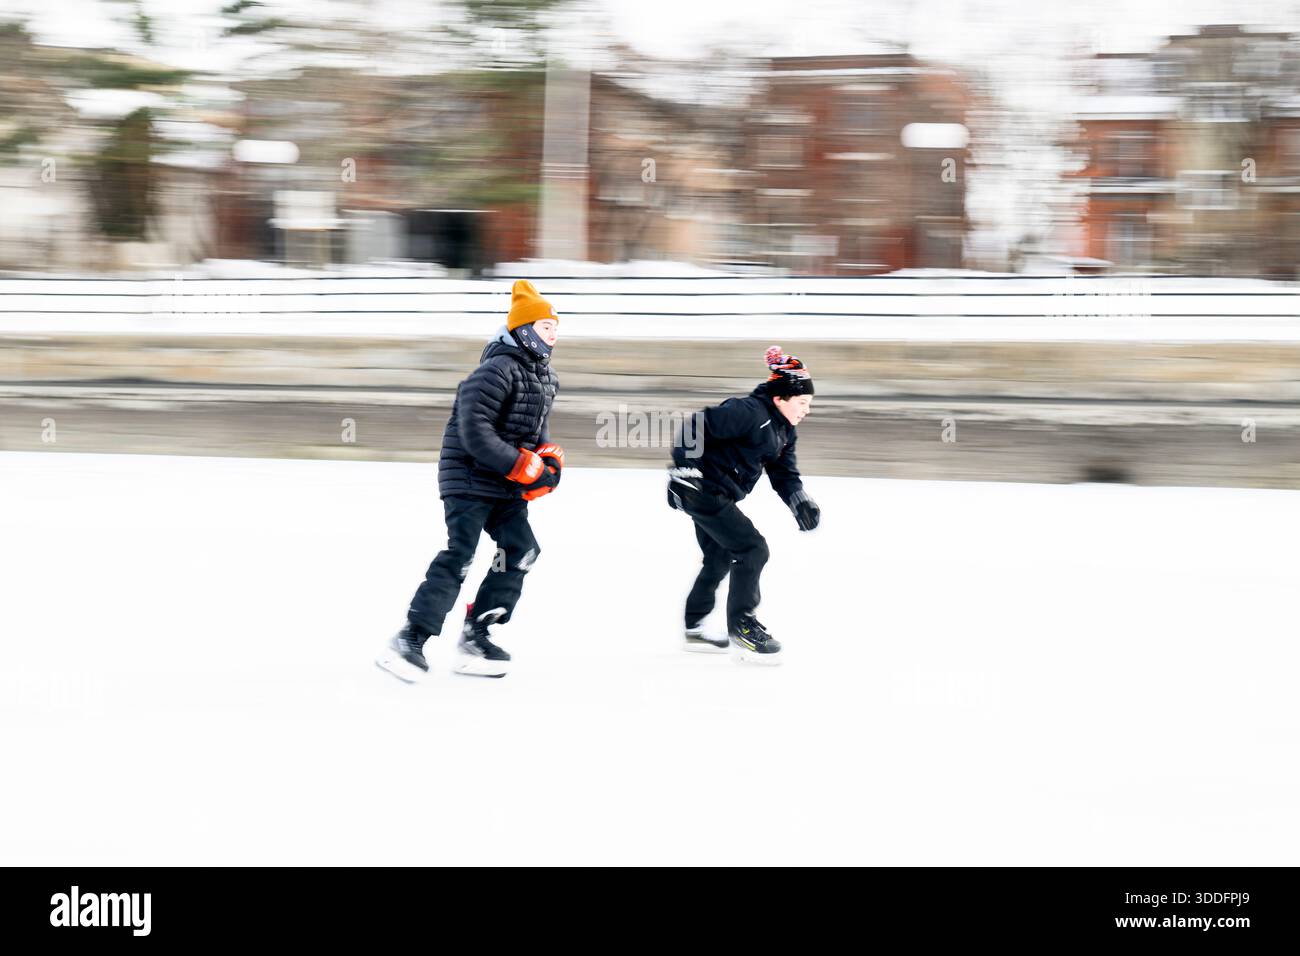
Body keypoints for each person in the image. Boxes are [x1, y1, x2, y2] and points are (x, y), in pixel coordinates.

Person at [377, 279, 562, 681]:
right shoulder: (494, 371)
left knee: (521, 550)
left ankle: (477, 632)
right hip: (468, 480)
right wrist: (520, 465)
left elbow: (537, 435)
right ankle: (411, 638)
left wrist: (546, 465)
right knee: (461, 554)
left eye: (556, 328)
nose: (554, 335)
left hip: (504, 485)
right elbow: (474, 431)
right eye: (547, 327)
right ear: (525, 330)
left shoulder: (546, 379)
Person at [666, 346, 820, 664]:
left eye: (809, 404)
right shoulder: (750, 412)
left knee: (719, 556)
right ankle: (742, 626)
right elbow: (696, 424)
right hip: (702, 488)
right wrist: (684, 469)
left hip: (714, 493)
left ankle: (695, 627)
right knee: (753, 549)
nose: (806, 410)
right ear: (781, 398)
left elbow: (785, 474)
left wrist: (798, 501)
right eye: (802, 402)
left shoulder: (784, 431)